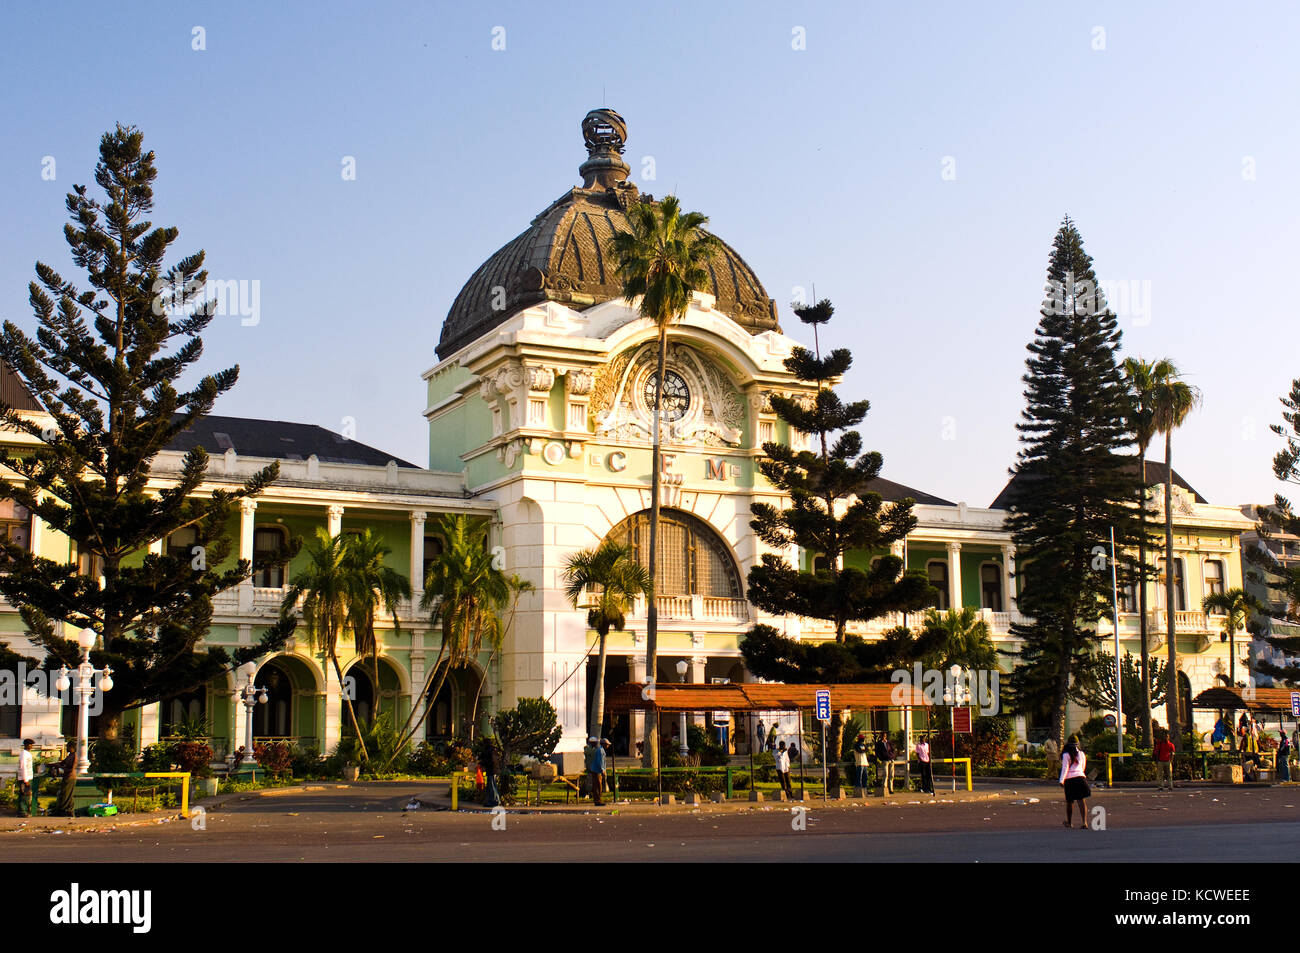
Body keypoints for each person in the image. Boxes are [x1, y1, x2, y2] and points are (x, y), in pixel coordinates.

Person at [1060, 735, 1091, 829]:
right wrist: (1080, 773)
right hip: (1080, 778)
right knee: (1081, 800)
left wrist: (1061, 780)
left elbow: (1065, 768)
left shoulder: (1066, 754)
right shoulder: (1081, 754)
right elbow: (1083, 767)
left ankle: (1069, 822)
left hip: (1070, 780)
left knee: (1070, 801)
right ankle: (1084, 822)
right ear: (1077, 744)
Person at [16, 739, 36, 817]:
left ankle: (25, 810)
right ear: (26, 745)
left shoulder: (28, 754)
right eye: (30, 744)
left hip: (28, 777)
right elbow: (23, 767)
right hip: (24, 778)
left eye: (32, 744)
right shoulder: (24, 754)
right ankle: (22, 811)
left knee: (27, 795)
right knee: (23, 794)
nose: (31, 746)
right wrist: (25, 779)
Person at [481, 742, 500, 808]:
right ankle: (495, 800)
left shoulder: (488, 751)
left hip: (491, 770)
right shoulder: (493, 750)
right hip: (493, 770)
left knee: (491, 786)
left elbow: (489, 761)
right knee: (492, 785)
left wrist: (482, 763)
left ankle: (494, 801)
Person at [590, 737, 607, 806]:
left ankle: (598, 800)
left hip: (597, 770)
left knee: (598, 785)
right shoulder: (600, 750)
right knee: (598, 786)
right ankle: (598, 800)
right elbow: (600, 761)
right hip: (597, 770)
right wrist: (602, 770)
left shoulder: (600, 750)